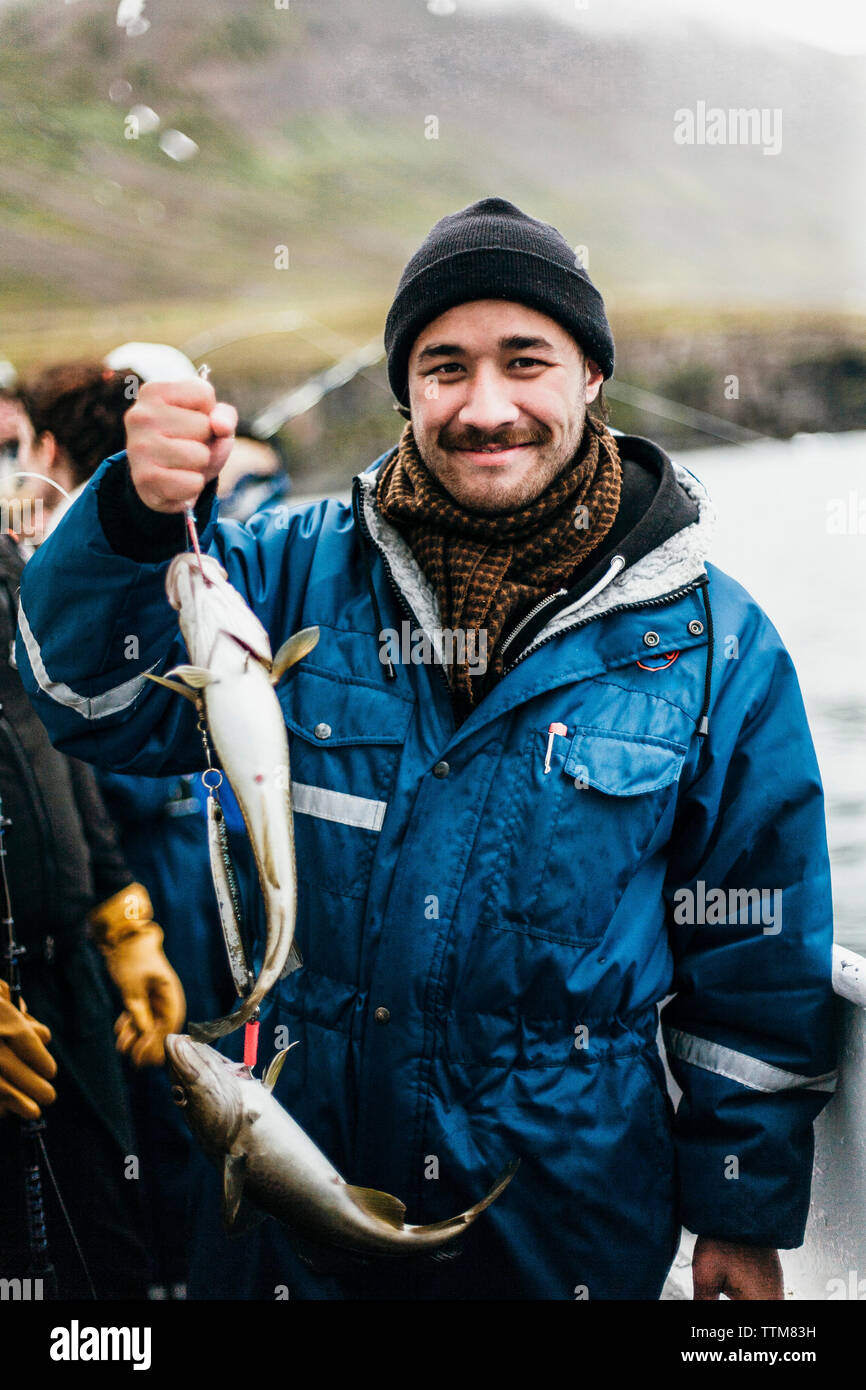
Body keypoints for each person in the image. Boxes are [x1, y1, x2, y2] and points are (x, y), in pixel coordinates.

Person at [16, 197, 836, 1301]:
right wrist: (123, 524)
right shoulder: (279, 574)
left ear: (590, 375)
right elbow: (88, 696)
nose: (483, 406)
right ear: (405, 386)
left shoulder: (716, 646)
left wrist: (738, 1210)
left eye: (524, 360)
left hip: (566, 1216)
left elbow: (757, 961)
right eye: (443, 366)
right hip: (293, 1195)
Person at [0, 524, 185, 1297]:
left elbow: (55, 746)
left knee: (107, 1259)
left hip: (69, 986)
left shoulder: (11, 565)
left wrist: (123, 920)